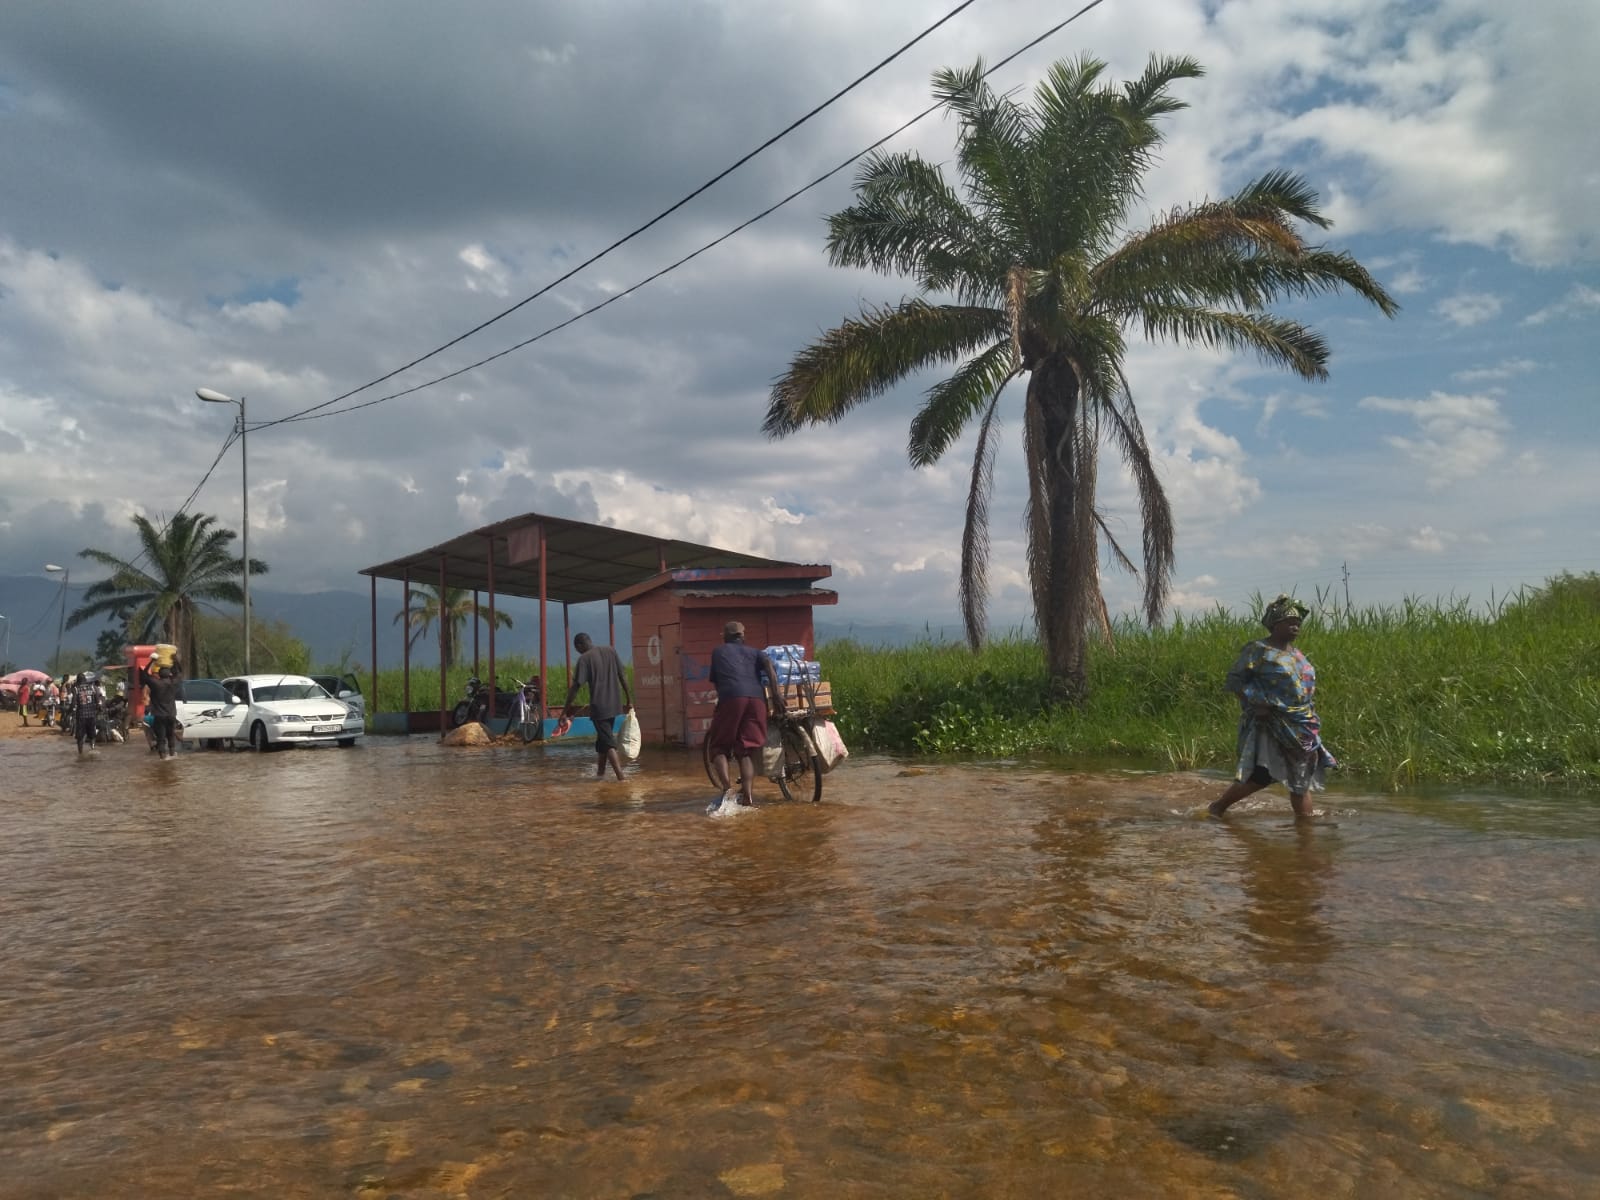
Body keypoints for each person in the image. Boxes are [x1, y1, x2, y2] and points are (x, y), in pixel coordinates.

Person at [1210, 594, 1336, 820]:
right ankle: (1217, 808)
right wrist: (1254, 704)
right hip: (1271, 722)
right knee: (1262, 776)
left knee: (1301, 777)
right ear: (1275, 625)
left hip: (1302, 725)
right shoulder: (1259, 650)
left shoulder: (1298, 655)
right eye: (1289, 622)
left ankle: (1305, 830)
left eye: (1298, 622)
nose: (1296, 626)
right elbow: (1235, 680)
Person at [705, 621, 784, 812]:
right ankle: (748, 797)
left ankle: (727, 790)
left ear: (725, 637)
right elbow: (769, 666)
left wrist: (724, 701)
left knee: (718, 747)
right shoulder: (756, 652)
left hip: (732, 698)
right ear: (742, 636)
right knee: (745, 750)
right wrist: (776, 695)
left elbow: (716, 680)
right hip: (757, 701)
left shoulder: (718, 652)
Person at [560, 633, 633, 781]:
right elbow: (622, 675)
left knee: (608, 742)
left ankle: (621, 779)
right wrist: (629, 699)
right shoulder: (610, 651)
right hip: (615, 704)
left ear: (580, 645)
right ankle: (600, 775)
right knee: (602, 741)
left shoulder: (584, 659)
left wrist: (564, 712)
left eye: (577, 649)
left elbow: (575, 687)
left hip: (600, 708)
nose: (578, 652)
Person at [145, 664, 183, 760]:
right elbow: (179, 672)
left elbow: (144, 674)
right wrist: (175, 661)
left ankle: (162, 757)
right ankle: (172, 754)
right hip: (171, 714)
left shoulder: (156, 684)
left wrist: (152, 661)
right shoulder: (173, 684)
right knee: (171, 735)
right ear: (169, 674)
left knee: (161, 737)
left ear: (159, 675)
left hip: (159, 715)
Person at [70, 671, 102, 754]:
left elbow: (73, 702)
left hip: (81, 715)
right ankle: (93, 748)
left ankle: (80, 753)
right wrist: (98, 708)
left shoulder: (76, 689)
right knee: (92, 733)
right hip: (91, 715)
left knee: (80, 736)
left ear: (78, 680)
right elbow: (97, 699)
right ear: (85, 679)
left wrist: (71, 710)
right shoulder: (92, 687)